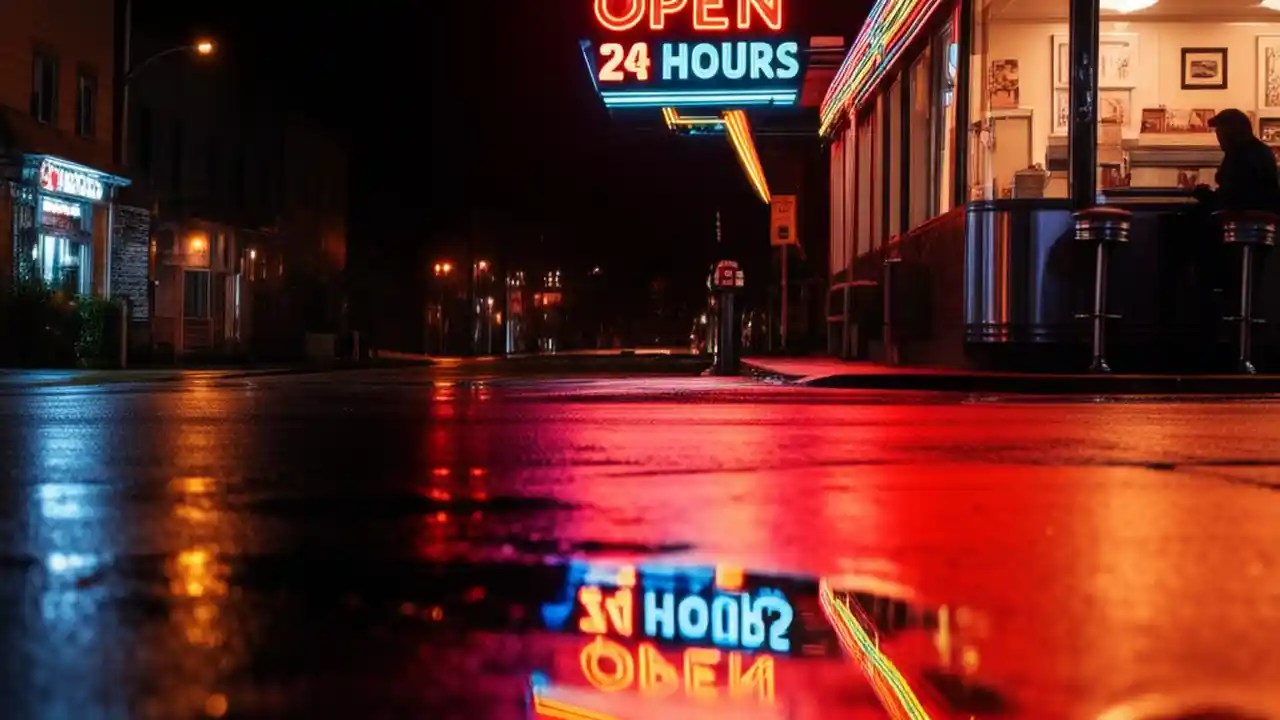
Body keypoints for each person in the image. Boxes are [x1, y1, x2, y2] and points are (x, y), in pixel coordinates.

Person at [1194, 108, 1280, 212]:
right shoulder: (1257, 150)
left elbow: (1233, 200)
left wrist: (1206, 195)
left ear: (1232, 132)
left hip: (1244, 222)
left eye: (1220, 130)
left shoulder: (1241, 156)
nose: (1218, 135)